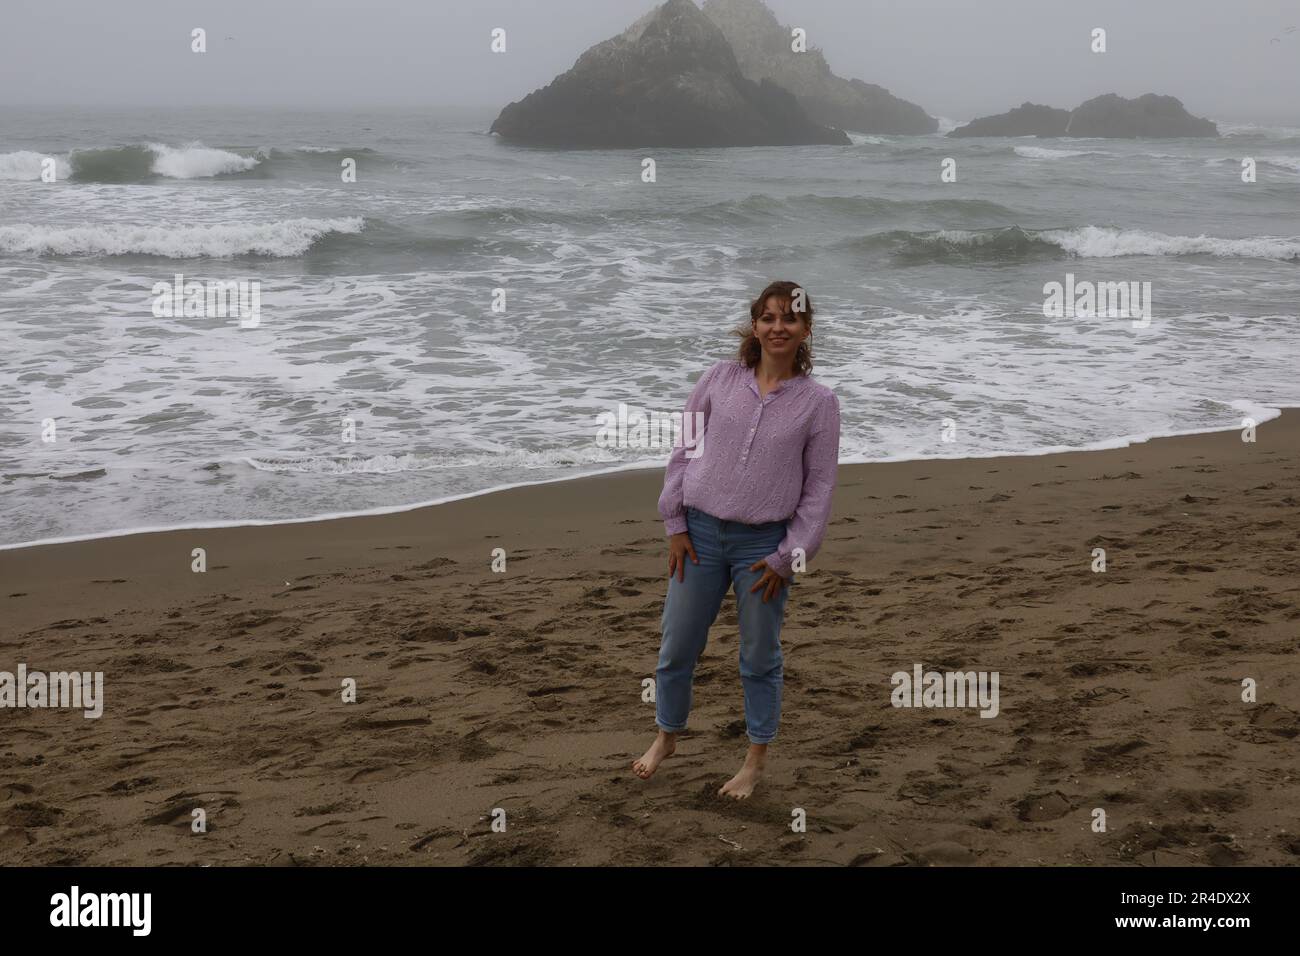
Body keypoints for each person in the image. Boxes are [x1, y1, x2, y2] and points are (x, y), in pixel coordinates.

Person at [632, 280, 841, 799]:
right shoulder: (719, 379)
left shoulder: (819, 403)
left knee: (759, 656)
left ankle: (754, 760)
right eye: (768, 317)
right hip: (699, 535)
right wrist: (674, 524)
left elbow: (818, 489)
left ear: (805, 330)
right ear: (755, 324)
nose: (777, 327)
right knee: (677, 644)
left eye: (789, 319)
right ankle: (667, 736)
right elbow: (682, 452)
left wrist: (789, 556)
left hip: (764, 548)